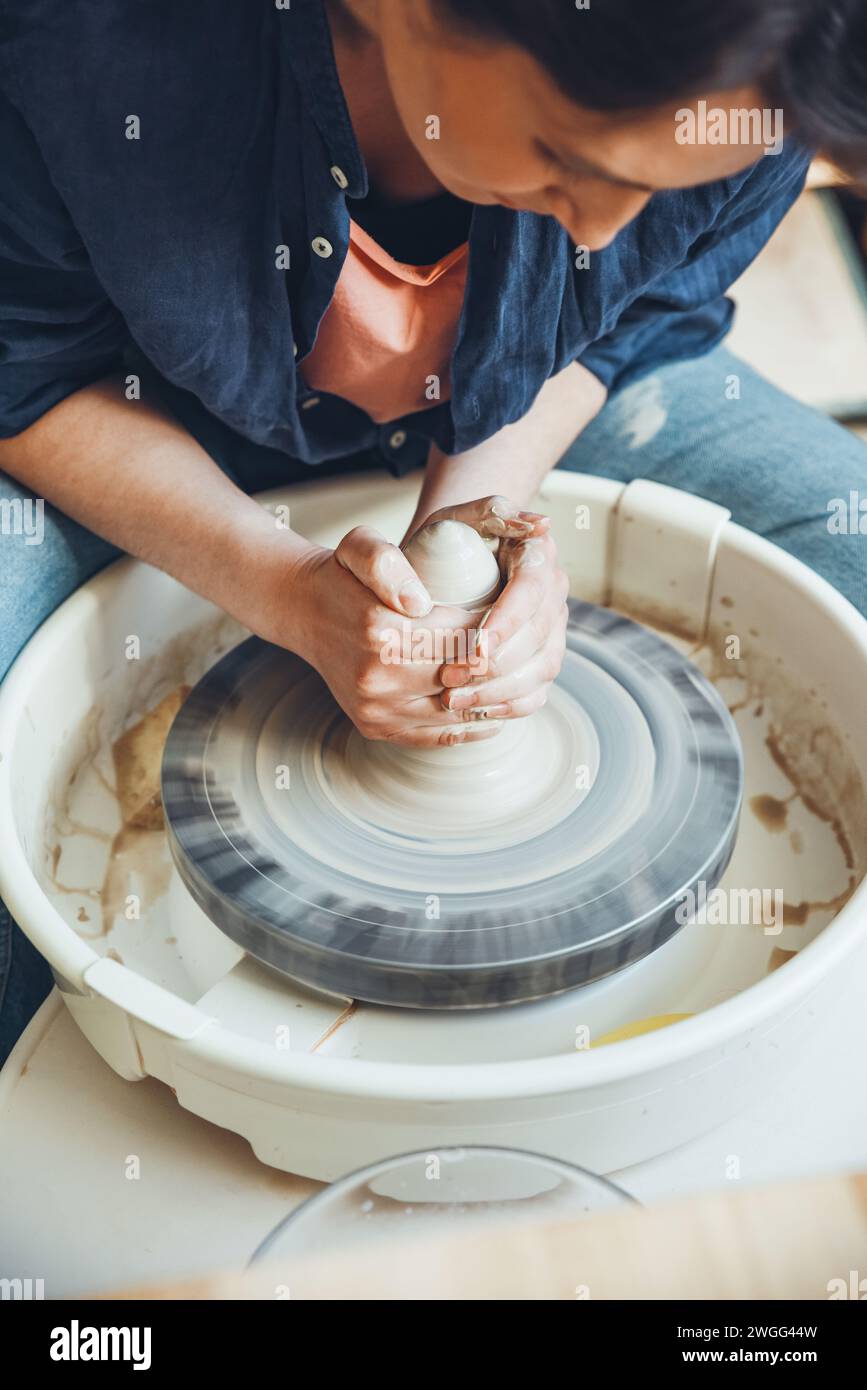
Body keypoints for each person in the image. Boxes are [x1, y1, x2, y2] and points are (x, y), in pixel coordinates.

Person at [1, 0, 866, 1063]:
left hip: (548, 396)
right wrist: (279, 587)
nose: (600, 227)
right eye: (563, 155)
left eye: (654, 186)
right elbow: (28, 364)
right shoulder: (91, 45)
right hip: (137, 413)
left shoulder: (781, 62)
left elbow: (641, 307)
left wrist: (474, 525)